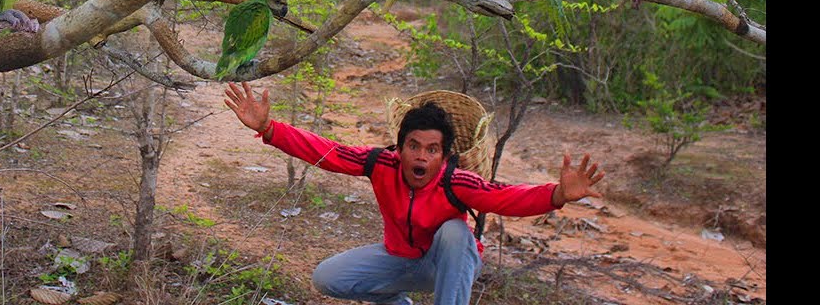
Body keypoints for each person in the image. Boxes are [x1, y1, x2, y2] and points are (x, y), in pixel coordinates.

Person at [224, 81, 605, 305]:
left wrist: (557, 194)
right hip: (401, 259)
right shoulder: (381, 163)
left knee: (457, 233)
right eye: (413, 146)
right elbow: (326, 152)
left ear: (444, 155)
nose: (421, 156)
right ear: (400, 146)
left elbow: (505, 197)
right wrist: (270, 128)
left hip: (447, 266)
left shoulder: (458, 181)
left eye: (432, 149)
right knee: (328, 278)